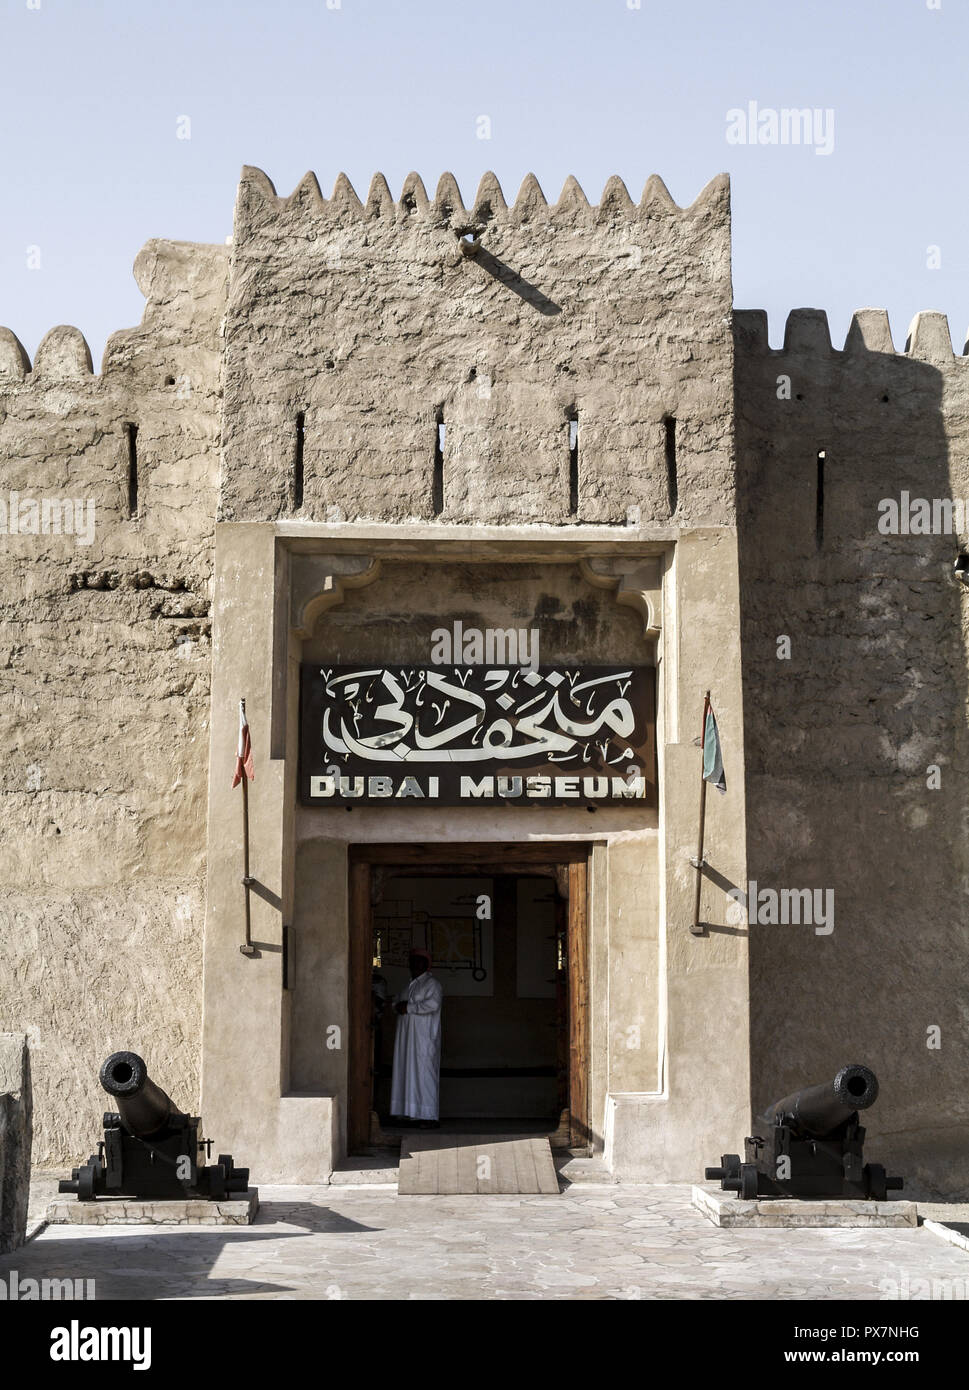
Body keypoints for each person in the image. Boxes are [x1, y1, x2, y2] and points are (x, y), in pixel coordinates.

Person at [389, 948, 443, 1128]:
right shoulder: (409, 985)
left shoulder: (432, 984)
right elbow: (395, 1001)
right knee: (405, 1072)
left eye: (420, 961)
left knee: (424, 1075)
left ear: (427, 965)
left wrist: (409, 1008)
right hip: (406, 1040)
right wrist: (397, 1006)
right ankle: (407, 1114)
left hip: (423, 1040)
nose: (415, 964)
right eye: (413, 961)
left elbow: (433, 1005)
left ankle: (428, 1116)